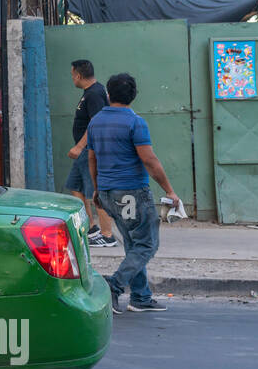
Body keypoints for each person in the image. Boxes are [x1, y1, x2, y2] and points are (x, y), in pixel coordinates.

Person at [87, 73, 184, 313]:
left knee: (133, 244)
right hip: (131, 192)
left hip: (108, 193)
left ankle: (140, 297)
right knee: (147, 244)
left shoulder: (96, 121)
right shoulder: (135, 122)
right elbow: (149, 161)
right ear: (134, 95)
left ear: (109, 94)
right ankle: (115, 284)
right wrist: (170, 191)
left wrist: (98, 189)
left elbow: (92, 159)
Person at [63, 59, 117, 248]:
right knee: (75, 187)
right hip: (84, 152)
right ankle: (91, 228)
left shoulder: (94, 94)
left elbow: (96, 123)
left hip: (89, 150)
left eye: (72, 75)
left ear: (78, 75)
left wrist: (79, 147)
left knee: (96, 192)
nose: (72, 79)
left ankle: (108, 235)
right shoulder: (92, 92)